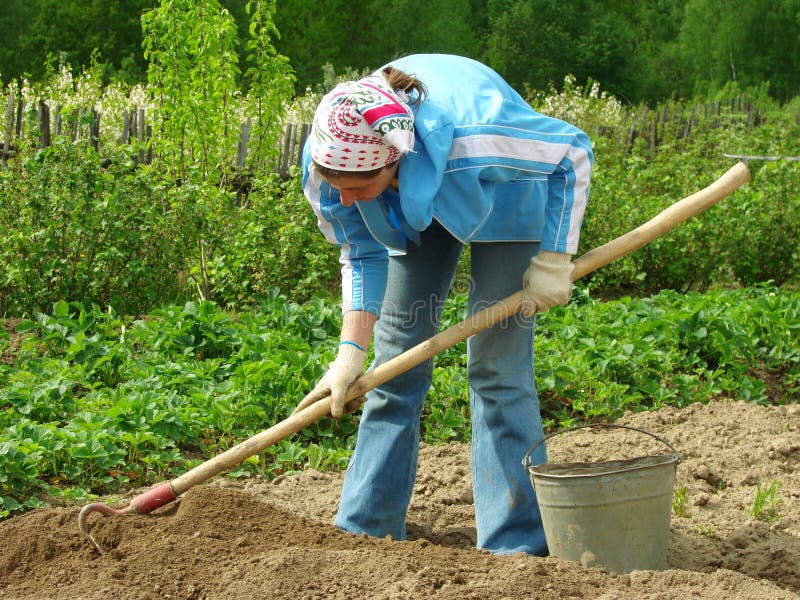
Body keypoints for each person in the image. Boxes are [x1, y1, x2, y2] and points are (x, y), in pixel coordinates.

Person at [293, 54, 593, 555]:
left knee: (498, 368)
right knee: (393, 366)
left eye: (355, 189)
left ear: (392, 162)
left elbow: (572, 153)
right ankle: (366, 528)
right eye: (338, 188)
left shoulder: (479, 137)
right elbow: (362, 254)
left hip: (502, 189)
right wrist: (349, 353)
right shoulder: (334, 165)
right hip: (406, 204)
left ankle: (516, 544)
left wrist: (555, 258)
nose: (344, 200)